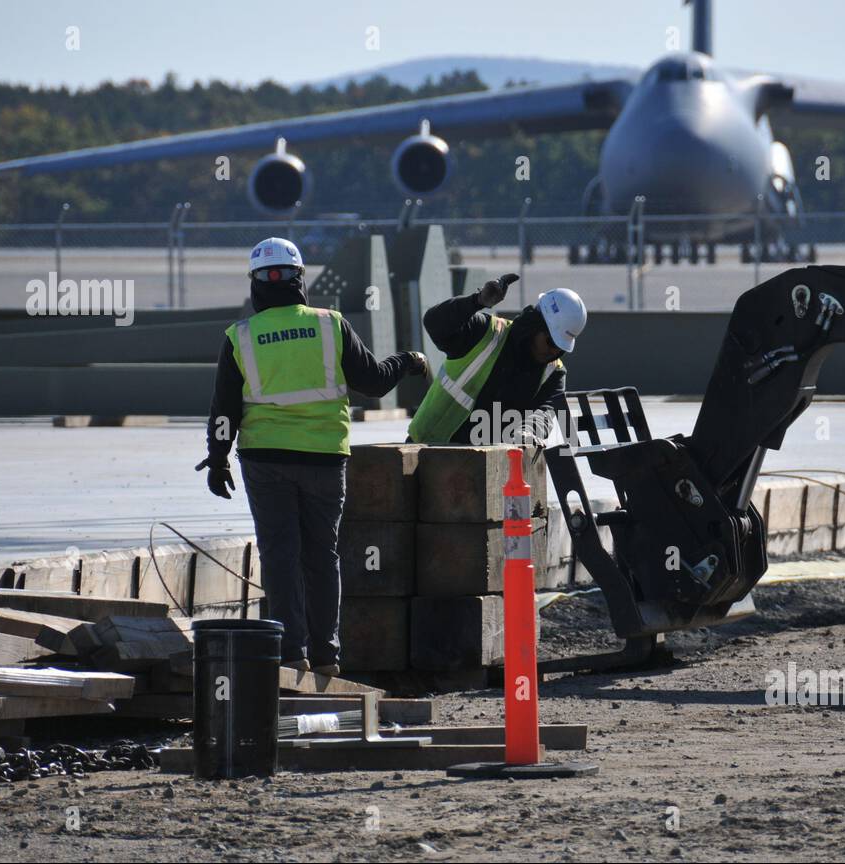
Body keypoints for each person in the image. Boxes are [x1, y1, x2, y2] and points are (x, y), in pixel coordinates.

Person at [196, 237, 427, 676]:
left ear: (256, 283)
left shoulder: (240, 336)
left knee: (280, 555)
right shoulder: (330, 325)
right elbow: (375, 383)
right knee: (322, 555)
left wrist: (218, 457)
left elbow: (224, 407)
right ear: (300, 279)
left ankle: (289, 652)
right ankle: (326, 654)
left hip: (265, 461)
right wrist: (408, 360)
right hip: (323, 458)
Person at [407, 275, 587, 445]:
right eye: (551, 341)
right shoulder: (485, 333)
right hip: (428, 448)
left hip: (489, 464)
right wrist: (476, 302)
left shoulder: (553, 373)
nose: (553, 351)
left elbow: (544, 413)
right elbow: (433, 322)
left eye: (561, 348)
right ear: (535, 324)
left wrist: (528, 431)